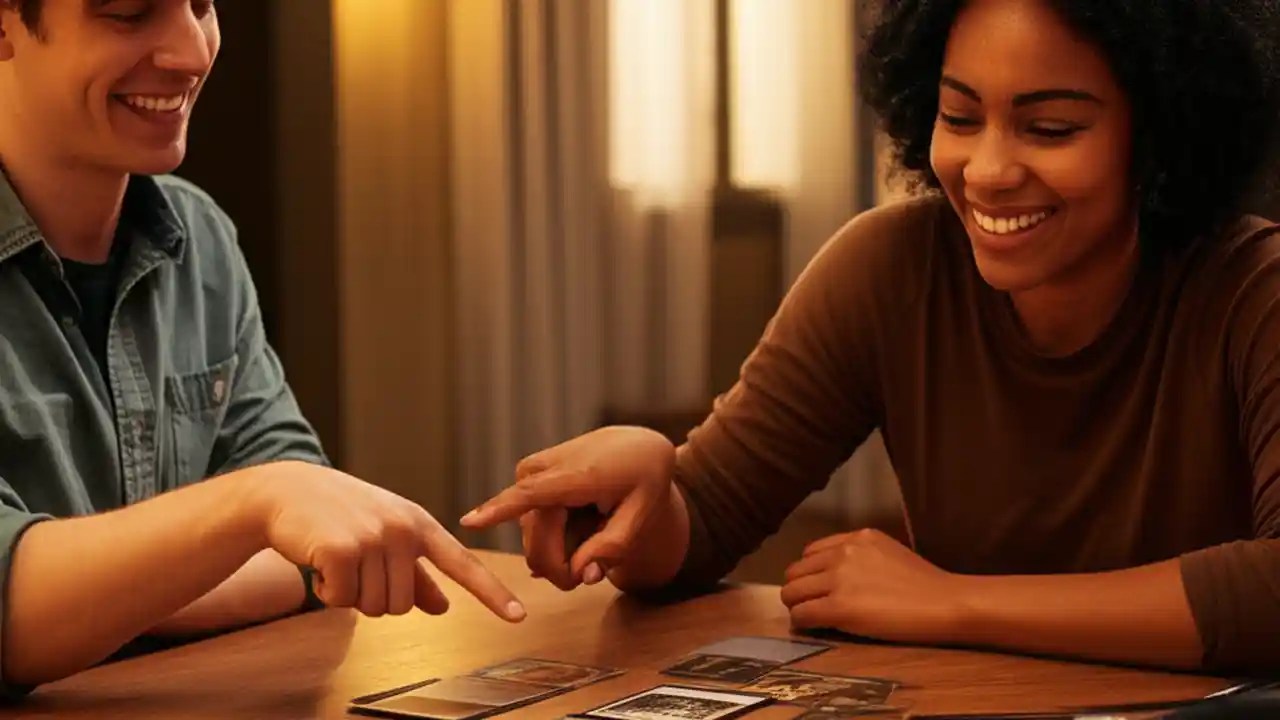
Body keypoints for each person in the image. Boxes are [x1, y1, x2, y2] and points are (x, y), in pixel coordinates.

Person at [463, 0, 1280, 674]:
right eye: (959, 116)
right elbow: (703, 524)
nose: (987, 169)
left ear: (1161, 137)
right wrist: (645, 496)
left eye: (1051, 128)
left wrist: (949, 602)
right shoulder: (888, 268)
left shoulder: (1256, 292)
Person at [0, 0, 526, 696]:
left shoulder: (201, 237)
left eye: (202, 5)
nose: (191, 54)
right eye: (129, 14)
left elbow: (310, 555)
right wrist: (254, 508)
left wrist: (94, 600)